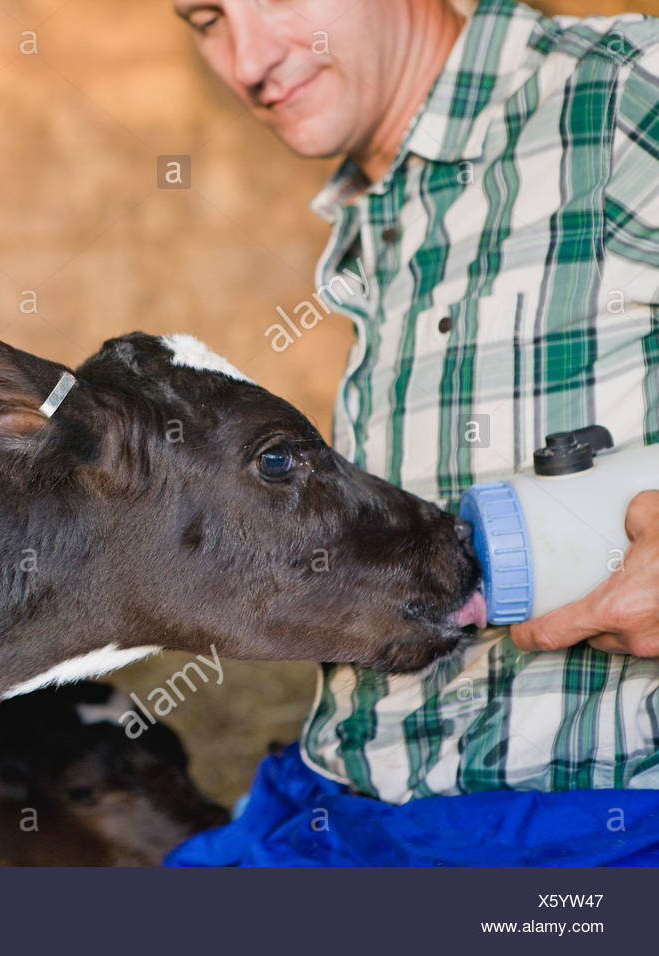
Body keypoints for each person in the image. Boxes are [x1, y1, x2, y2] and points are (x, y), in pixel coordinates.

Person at [165, 0, 659, 863]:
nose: (246, 61)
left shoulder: (620, 94)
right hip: (351, 810)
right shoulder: (382, 204)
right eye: (206, 18)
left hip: (589, 834)